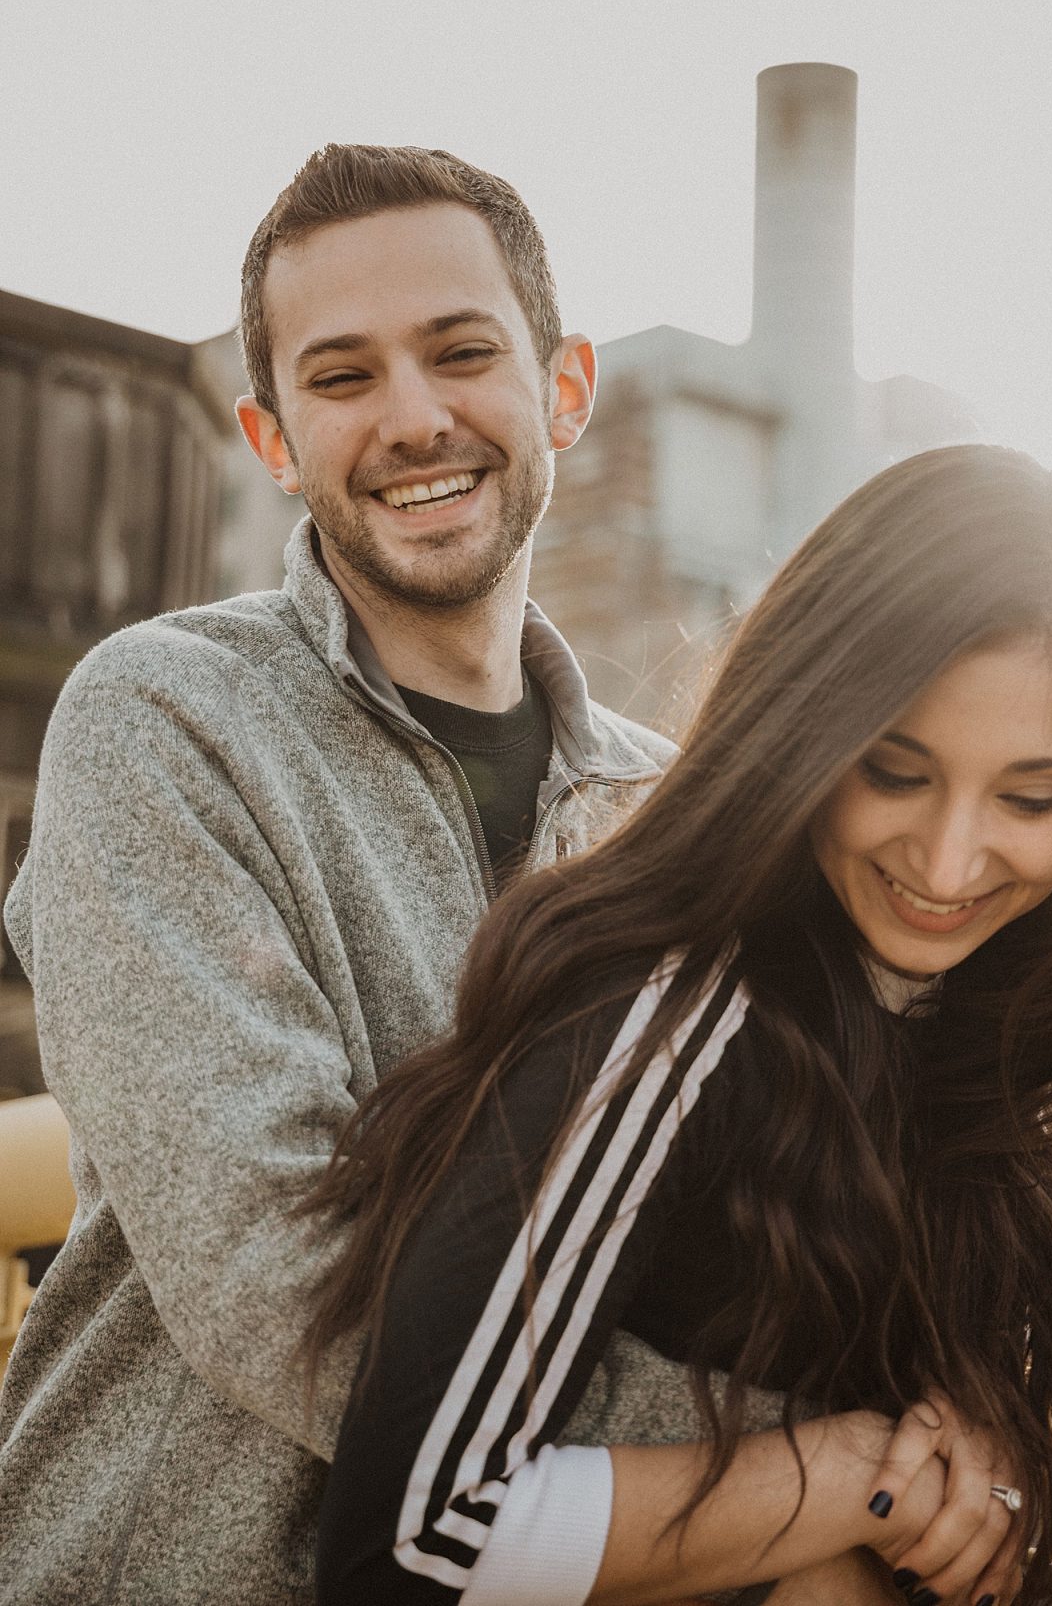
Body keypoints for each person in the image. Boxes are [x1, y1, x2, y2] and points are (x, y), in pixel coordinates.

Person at [0, 145, 694, 1604]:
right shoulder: (165, 717)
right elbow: (283, 1285)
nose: (414, 418)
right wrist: (773, 1453)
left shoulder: (671, 807)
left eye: (461, 353)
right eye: (343, 377)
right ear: (271, 436)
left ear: (562, 387)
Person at [308, 443, 1052, 1606]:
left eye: (1030, 797)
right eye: (895, 770)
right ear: (807, 733)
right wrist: (861, 1476)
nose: (949, 859)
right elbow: (411, 1544)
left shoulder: (968, 1062)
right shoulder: (670, 1021)